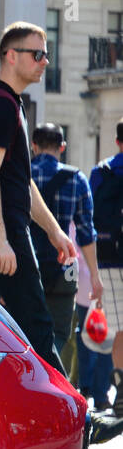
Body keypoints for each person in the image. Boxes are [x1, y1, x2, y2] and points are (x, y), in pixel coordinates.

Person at [0, 23, 74, 375]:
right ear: (11, 56)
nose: (45, 61)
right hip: (4, 235)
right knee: (37, 327)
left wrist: (54, 232)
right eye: (37, 54)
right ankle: (74, 418)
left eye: (46, 54)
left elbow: (21, 182)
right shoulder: (0, 106)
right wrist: (0, 241)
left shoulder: (8, 104)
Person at [30, 123, 103, 364]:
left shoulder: (22, 175)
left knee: (23, 329)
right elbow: (86, 232)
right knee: (60, 332)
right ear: (62, 147)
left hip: (27, 264)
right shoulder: (76, 178)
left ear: (33, 146)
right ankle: (48, 371)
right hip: (65, 268)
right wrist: (94, 275)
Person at [90, 117, 123, 411]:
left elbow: (89, 216)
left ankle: (120, 387)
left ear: (117, 141)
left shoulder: (100, 171)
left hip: (109, 258)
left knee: (117, 328)